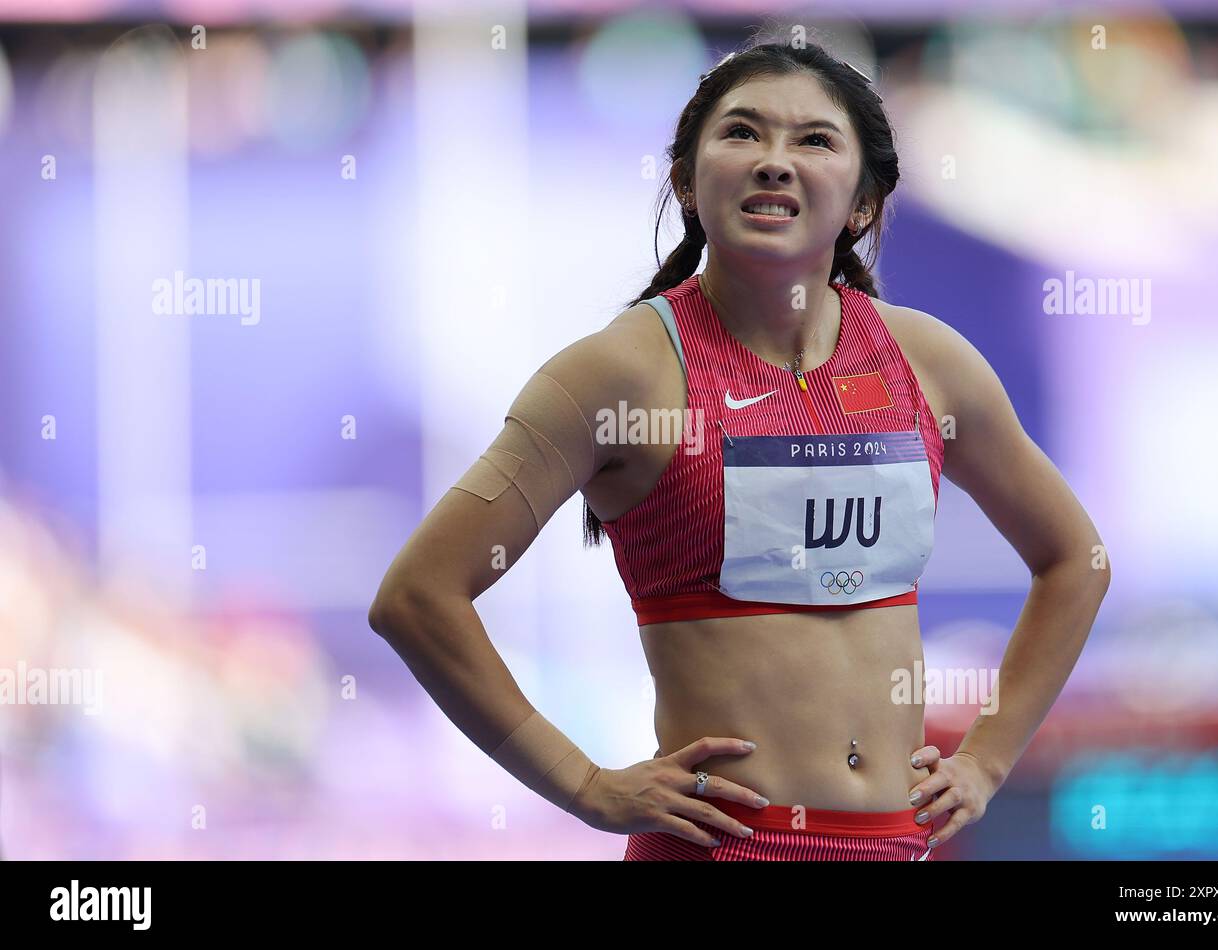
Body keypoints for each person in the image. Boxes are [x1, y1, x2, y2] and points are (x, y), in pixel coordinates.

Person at [368, 37, 1110, 861]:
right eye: (742, 133)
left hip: (899, 845)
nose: (774, 162)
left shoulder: (928, 363)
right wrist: (584, 786)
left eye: (815, 141)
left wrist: (988, 760)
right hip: (724, 847)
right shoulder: (618, 373)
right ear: (686, 180)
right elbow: (418, 596)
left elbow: (1075, 558)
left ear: (864, 203)